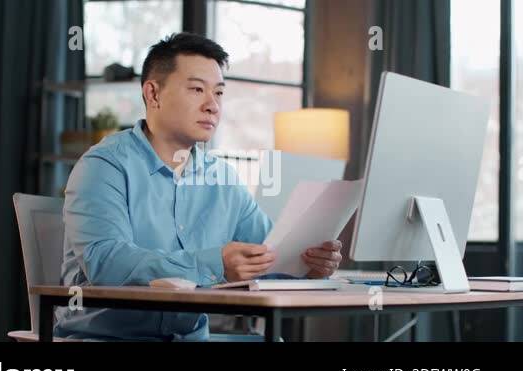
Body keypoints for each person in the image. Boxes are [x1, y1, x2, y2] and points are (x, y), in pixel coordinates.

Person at [56, 32, 343, 341]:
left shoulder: (222, 178)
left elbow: (268, 254)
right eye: (197, 89)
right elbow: (107, 262)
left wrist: (308, 264)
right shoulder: (104, 166)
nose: (212, 105)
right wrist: (215, 262)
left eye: (218, 93)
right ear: (153, 94)